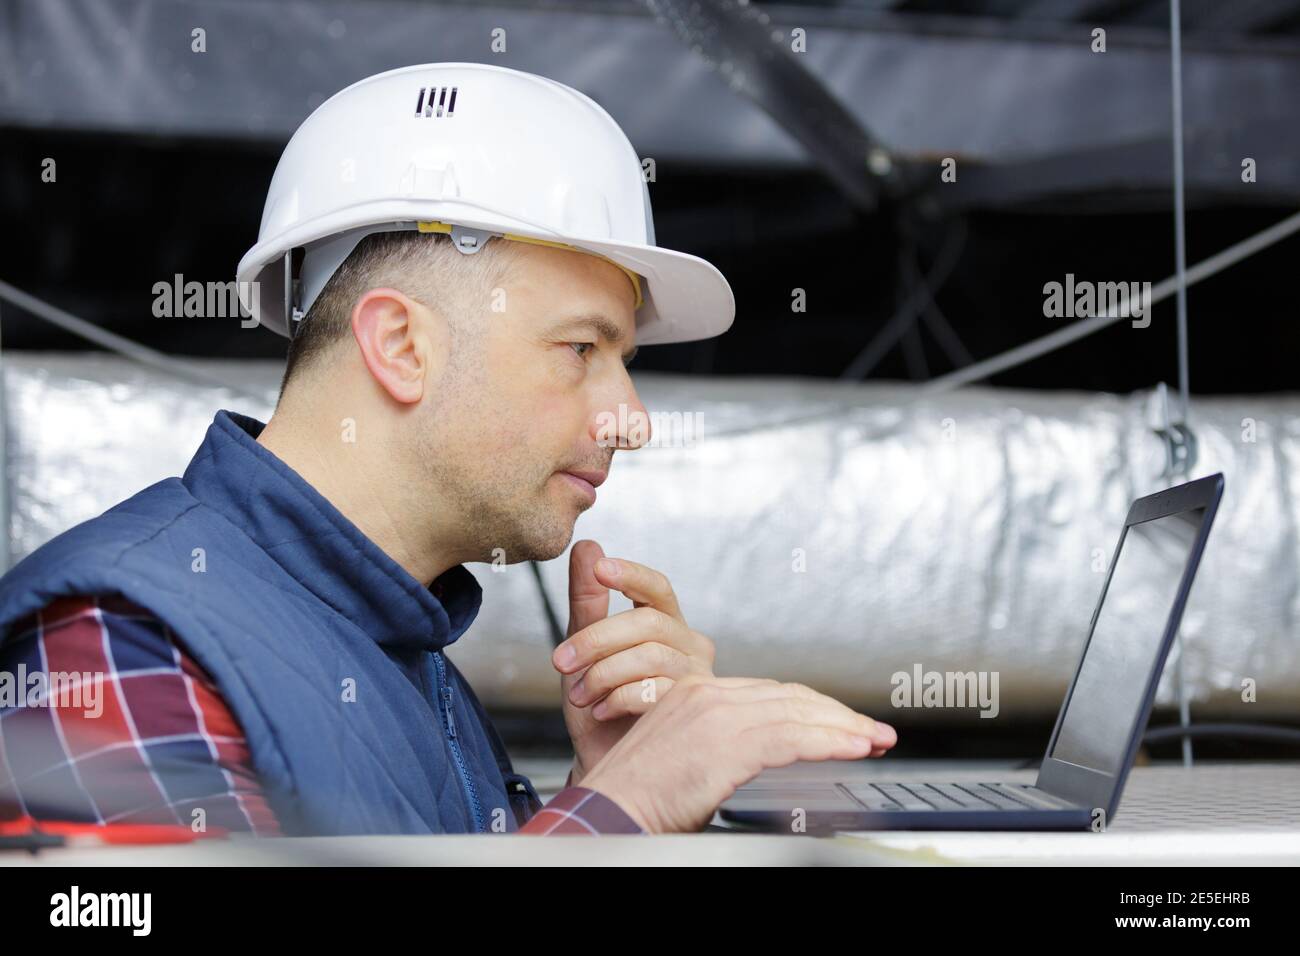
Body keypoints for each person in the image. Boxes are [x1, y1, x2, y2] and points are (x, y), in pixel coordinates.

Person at [0, 63, 895, 837]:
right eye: (581, 349)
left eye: (622, 361)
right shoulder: (120, 649)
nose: (631, 419)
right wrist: (628, 807)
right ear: (400, 346)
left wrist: (598, 789)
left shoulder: (400, 650)